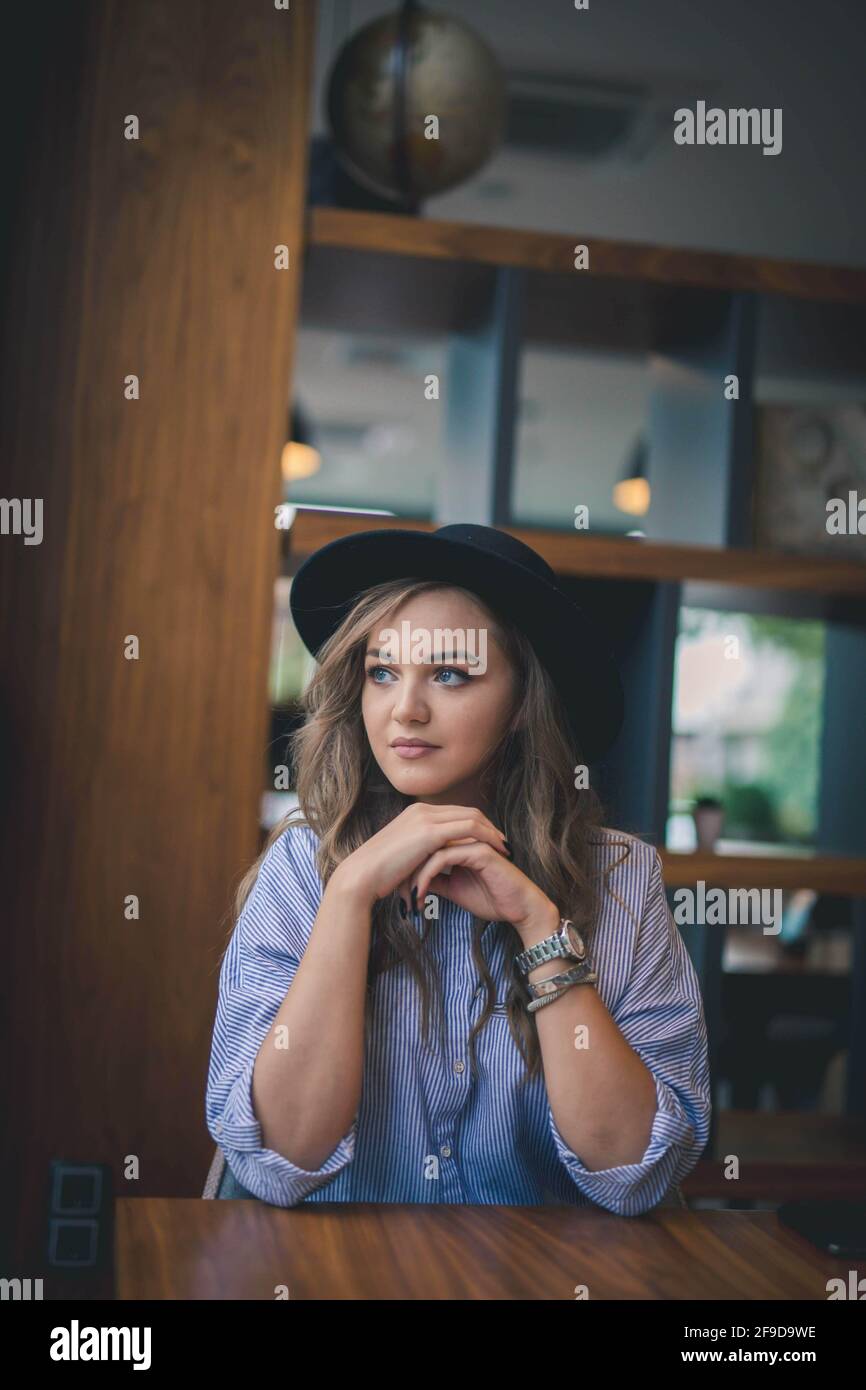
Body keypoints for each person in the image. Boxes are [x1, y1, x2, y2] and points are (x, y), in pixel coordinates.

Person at [205, 524, 711, 1214]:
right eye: (382, 672)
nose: (404, 711)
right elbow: (281, 1160)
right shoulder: (302, 868)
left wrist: (541, 930)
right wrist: (349, 895)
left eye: (449, 674)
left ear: (520, 703)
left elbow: (636, 1173)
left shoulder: (621, 877)